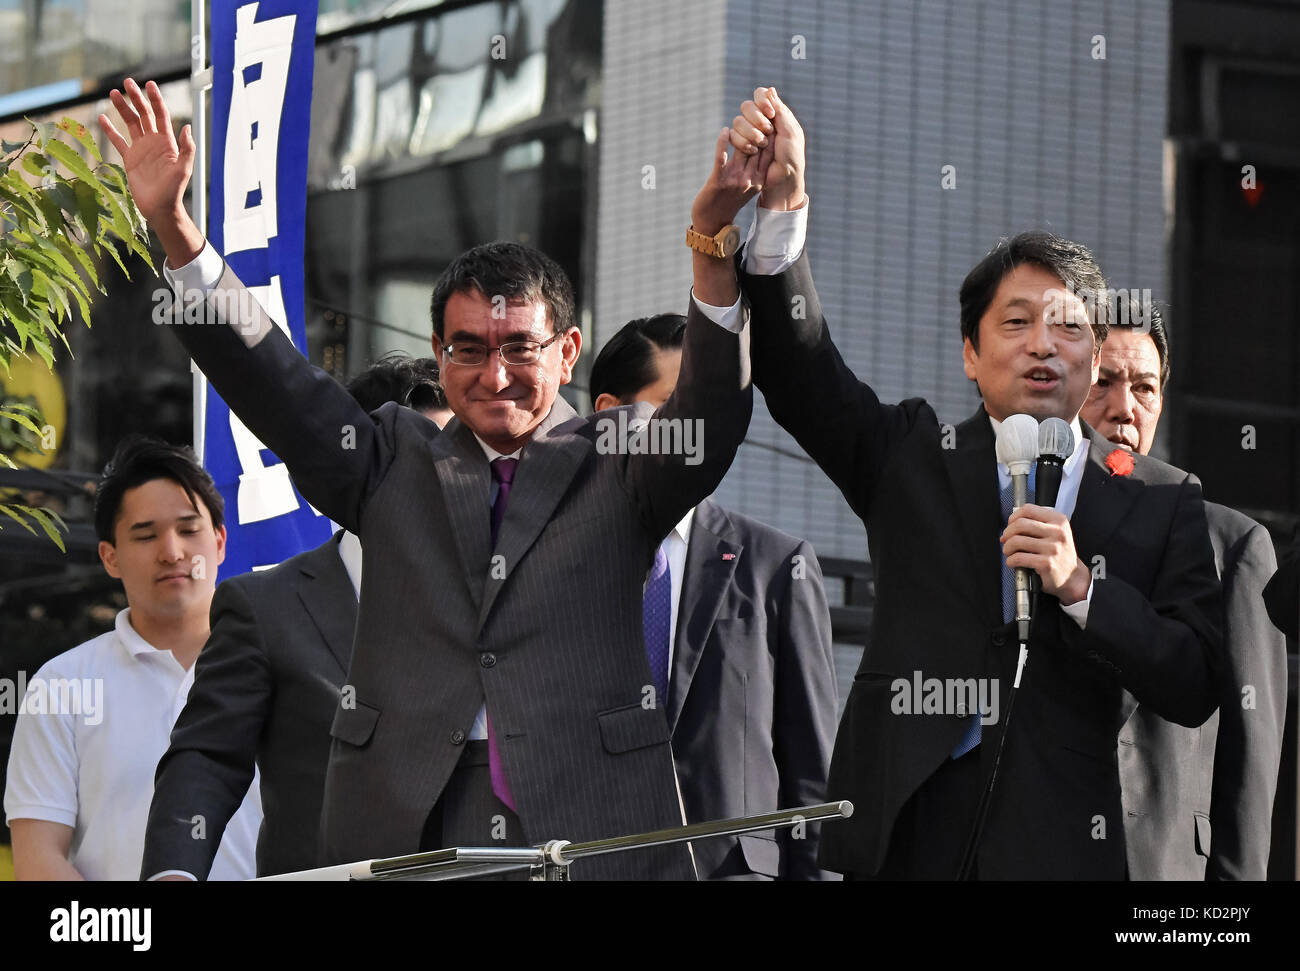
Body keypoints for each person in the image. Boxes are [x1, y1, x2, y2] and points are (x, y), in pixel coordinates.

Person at [101, 78, 758, 879]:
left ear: (568, 350)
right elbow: (277, 383)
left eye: (519, 346)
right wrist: (175, 231)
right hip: (406, 819)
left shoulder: (621, 458)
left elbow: (713, 415)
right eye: (468, 348)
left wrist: (714, 242)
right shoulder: (389, 459)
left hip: (583, 819)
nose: (495, 373)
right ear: (439, 353)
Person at [722, 86, 1222, 879]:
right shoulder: (913, 453)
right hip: (912, 825)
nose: (1041, 347)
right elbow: (802, 372)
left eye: (1067, 327)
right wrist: (781, 211)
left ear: (1094, 357)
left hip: (1065, 839)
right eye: (1015, 323)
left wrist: (1081, 586)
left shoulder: (1162, 502)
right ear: (970, 352)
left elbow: (1196, 681)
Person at [142, 357, 449, 880]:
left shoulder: (507, 596)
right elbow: (208, 759)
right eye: (417, 458)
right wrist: (175, 872)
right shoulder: (267, 608)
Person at [590, 314, 839, 880]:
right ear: (609, 414)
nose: (701, 430)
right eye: (679, 406)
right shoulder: (555, 560)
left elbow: (814, 775)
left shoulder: (777, 565)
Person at [1080, 305, 1285, 880]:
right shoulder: (1029, 524)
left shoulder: (1233, 544)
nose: (1124, 408)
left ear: (1161, 403)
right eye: (1103, 383)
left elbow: (1252, 765)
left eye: (1144, 387)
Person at [4, 436, 261, 880]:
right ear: (110, 557)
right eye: (145, 535)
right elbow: (38, 857)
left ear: (220, 541)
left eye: (188, 529)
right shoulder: (62, 685)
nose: (172, 552)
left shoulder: (283, 665)